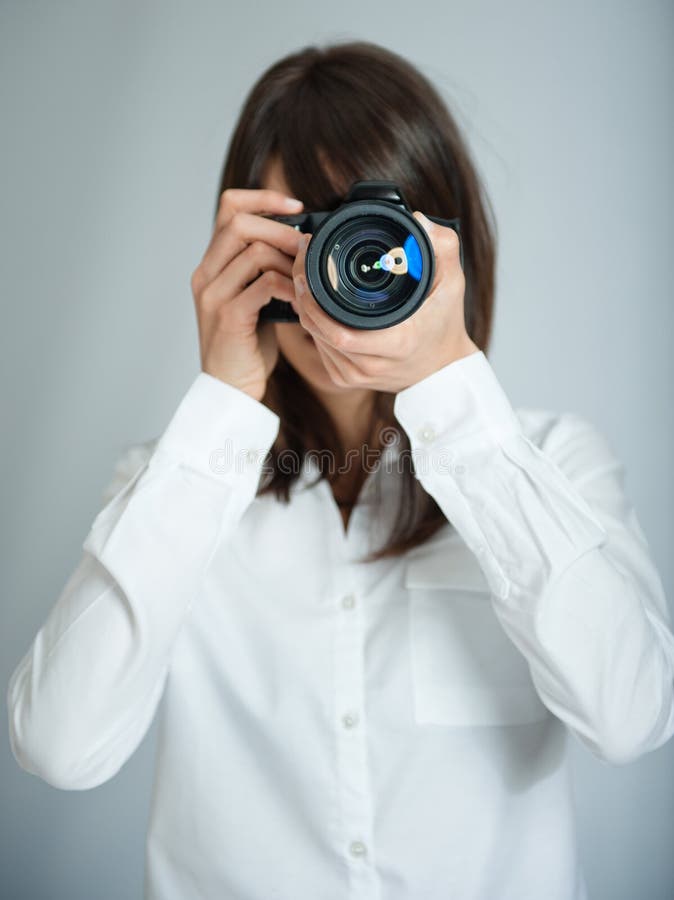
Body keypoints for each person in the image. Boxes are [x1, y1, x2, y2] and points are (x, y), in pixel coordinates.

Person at [7, 40, 674, 900]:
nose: (344, 270)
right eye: (309, 234)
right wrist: (224, 399)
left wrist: (450, 389)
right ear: (243, 242)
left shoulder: (550, 464)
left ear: (448, 249)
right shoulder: (173, 484)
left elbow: (633, 717)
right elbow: (60, 748)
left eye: (379, 235)